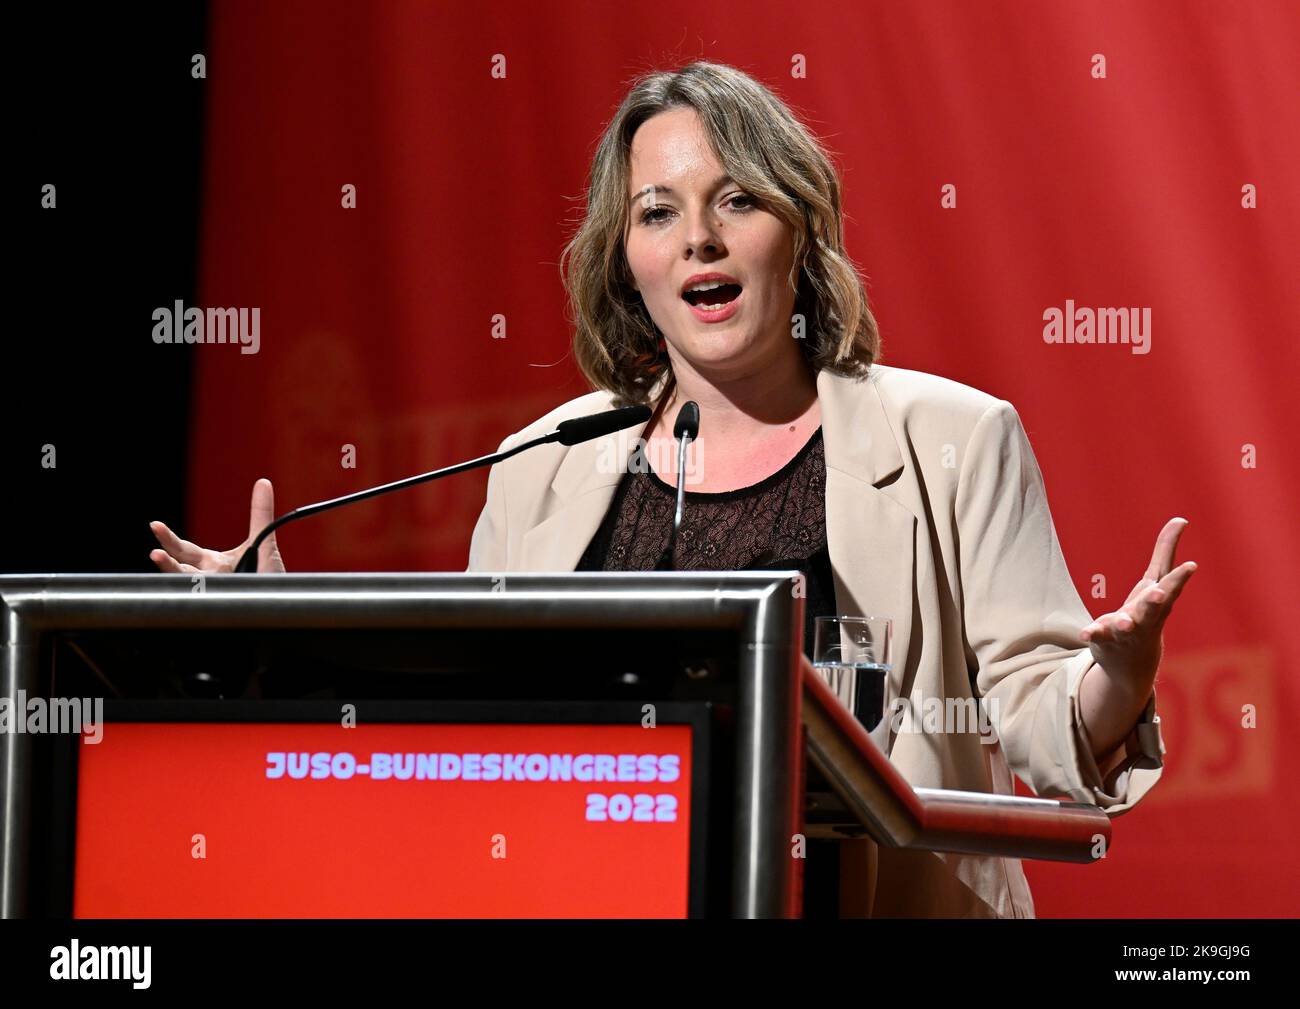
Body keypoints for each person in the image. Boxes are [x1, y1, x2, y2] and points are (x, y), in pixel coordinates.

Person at [149, 60, 1195, 918]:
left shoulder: (953, 439)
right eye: (659, 212)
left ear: (801, 232)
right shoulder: (541, 467)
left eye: (734, 199)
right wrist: (288, 633)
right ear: (630, 264)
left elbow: (1043, 725)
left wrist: (1116, 674)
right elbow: (470, 739)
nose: (697, 234)